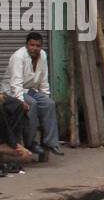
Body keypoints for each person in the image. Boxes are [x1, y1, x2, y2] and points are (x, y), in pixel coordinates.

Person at [2, 32, 63, 161]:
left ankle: (51, 143)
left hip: (30, 90)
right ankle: (30, 143)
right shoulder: (18, 56)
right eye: (32, 45)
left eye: (38, 45)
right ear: (27, 45)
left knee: (49, 104)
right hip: (12, 91)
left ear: (41, 47)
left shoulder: (43, 56)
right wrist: (20, 100)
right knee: (32, 105)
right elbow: (15, 83)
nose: (34, 48)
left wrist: (45, 96)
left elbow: (44, 80)